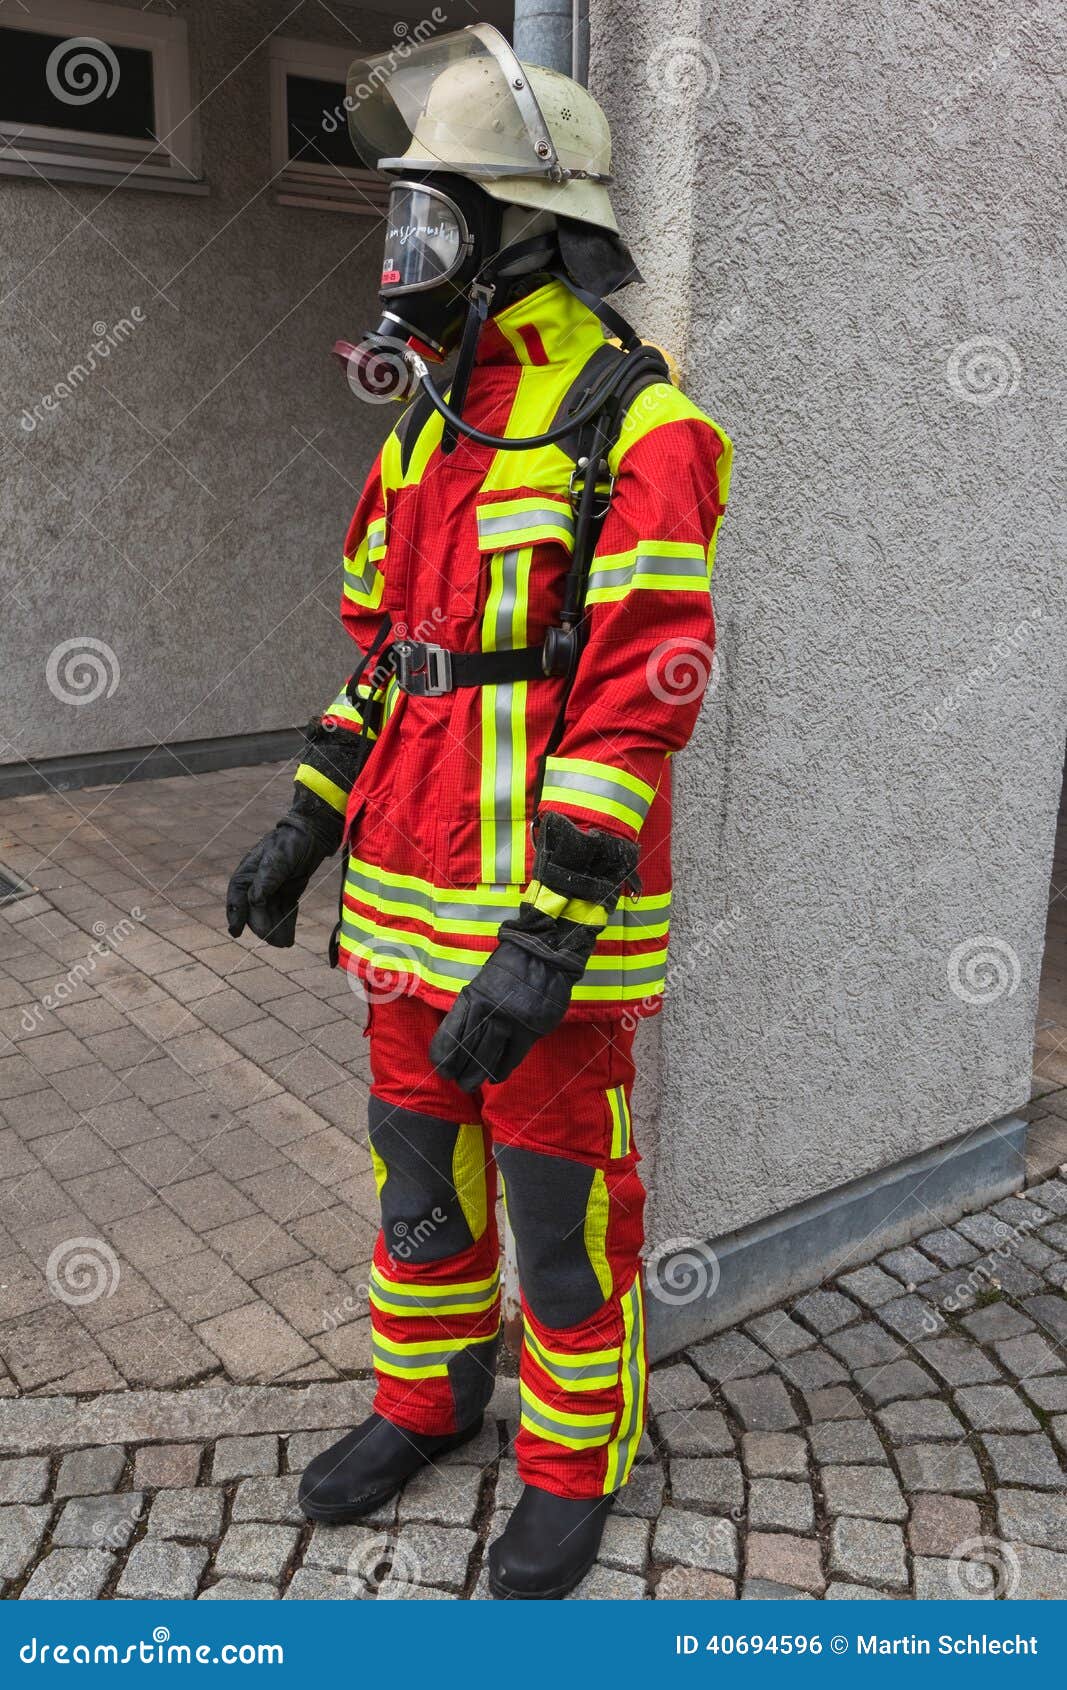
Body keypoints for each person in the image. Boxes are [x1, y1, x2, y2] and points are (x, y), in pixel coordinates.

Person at [226, 22, 732, 1600]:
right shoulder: (431, 432)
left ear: (527, 234)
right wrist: (309, 813)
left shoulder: (639, 434)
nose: (407, 252)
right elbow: (385, 659)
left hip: (542, 944)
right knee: (417, 1177)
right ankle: (425, 1404)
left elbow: (643, 697)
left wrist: (548, 937)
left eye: (431, 218)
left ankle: (575, 1461)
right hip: (403, 918)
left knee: (560, 1213)